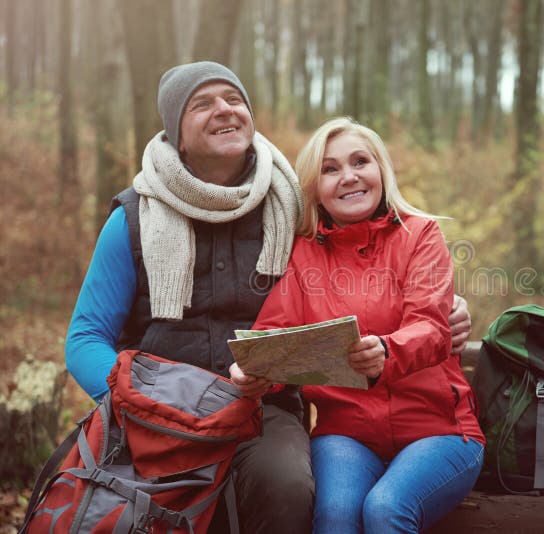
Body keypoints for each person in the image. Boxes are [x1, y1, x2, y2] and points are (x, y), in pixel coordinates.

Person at [64, 62, 472, 533]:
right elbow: (85, 338)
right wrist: (141, 404)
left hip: (262, 411)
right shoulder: (133, 219)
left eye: (234, 99)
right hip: (157, 411)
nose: (224, 109)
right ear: (176, 134)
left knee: (290, 487)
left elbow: (367, 257)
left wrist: (450, 311)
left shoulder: (293, 209)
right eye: (202, 104)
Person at [231, 117, 485, 533]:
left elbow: (433, 326)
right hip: (345, 434)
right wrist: (253, 370)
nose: (348, 177)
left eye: (360, 162)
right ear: (314, 188)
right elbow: (274, 334)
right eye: (330, 169)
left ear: (381, 170)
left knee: (386, 508)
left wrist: (387, 351)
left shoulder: (421, 236)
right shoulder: (305, 254)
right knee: (336, 515)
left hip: (439, 432)